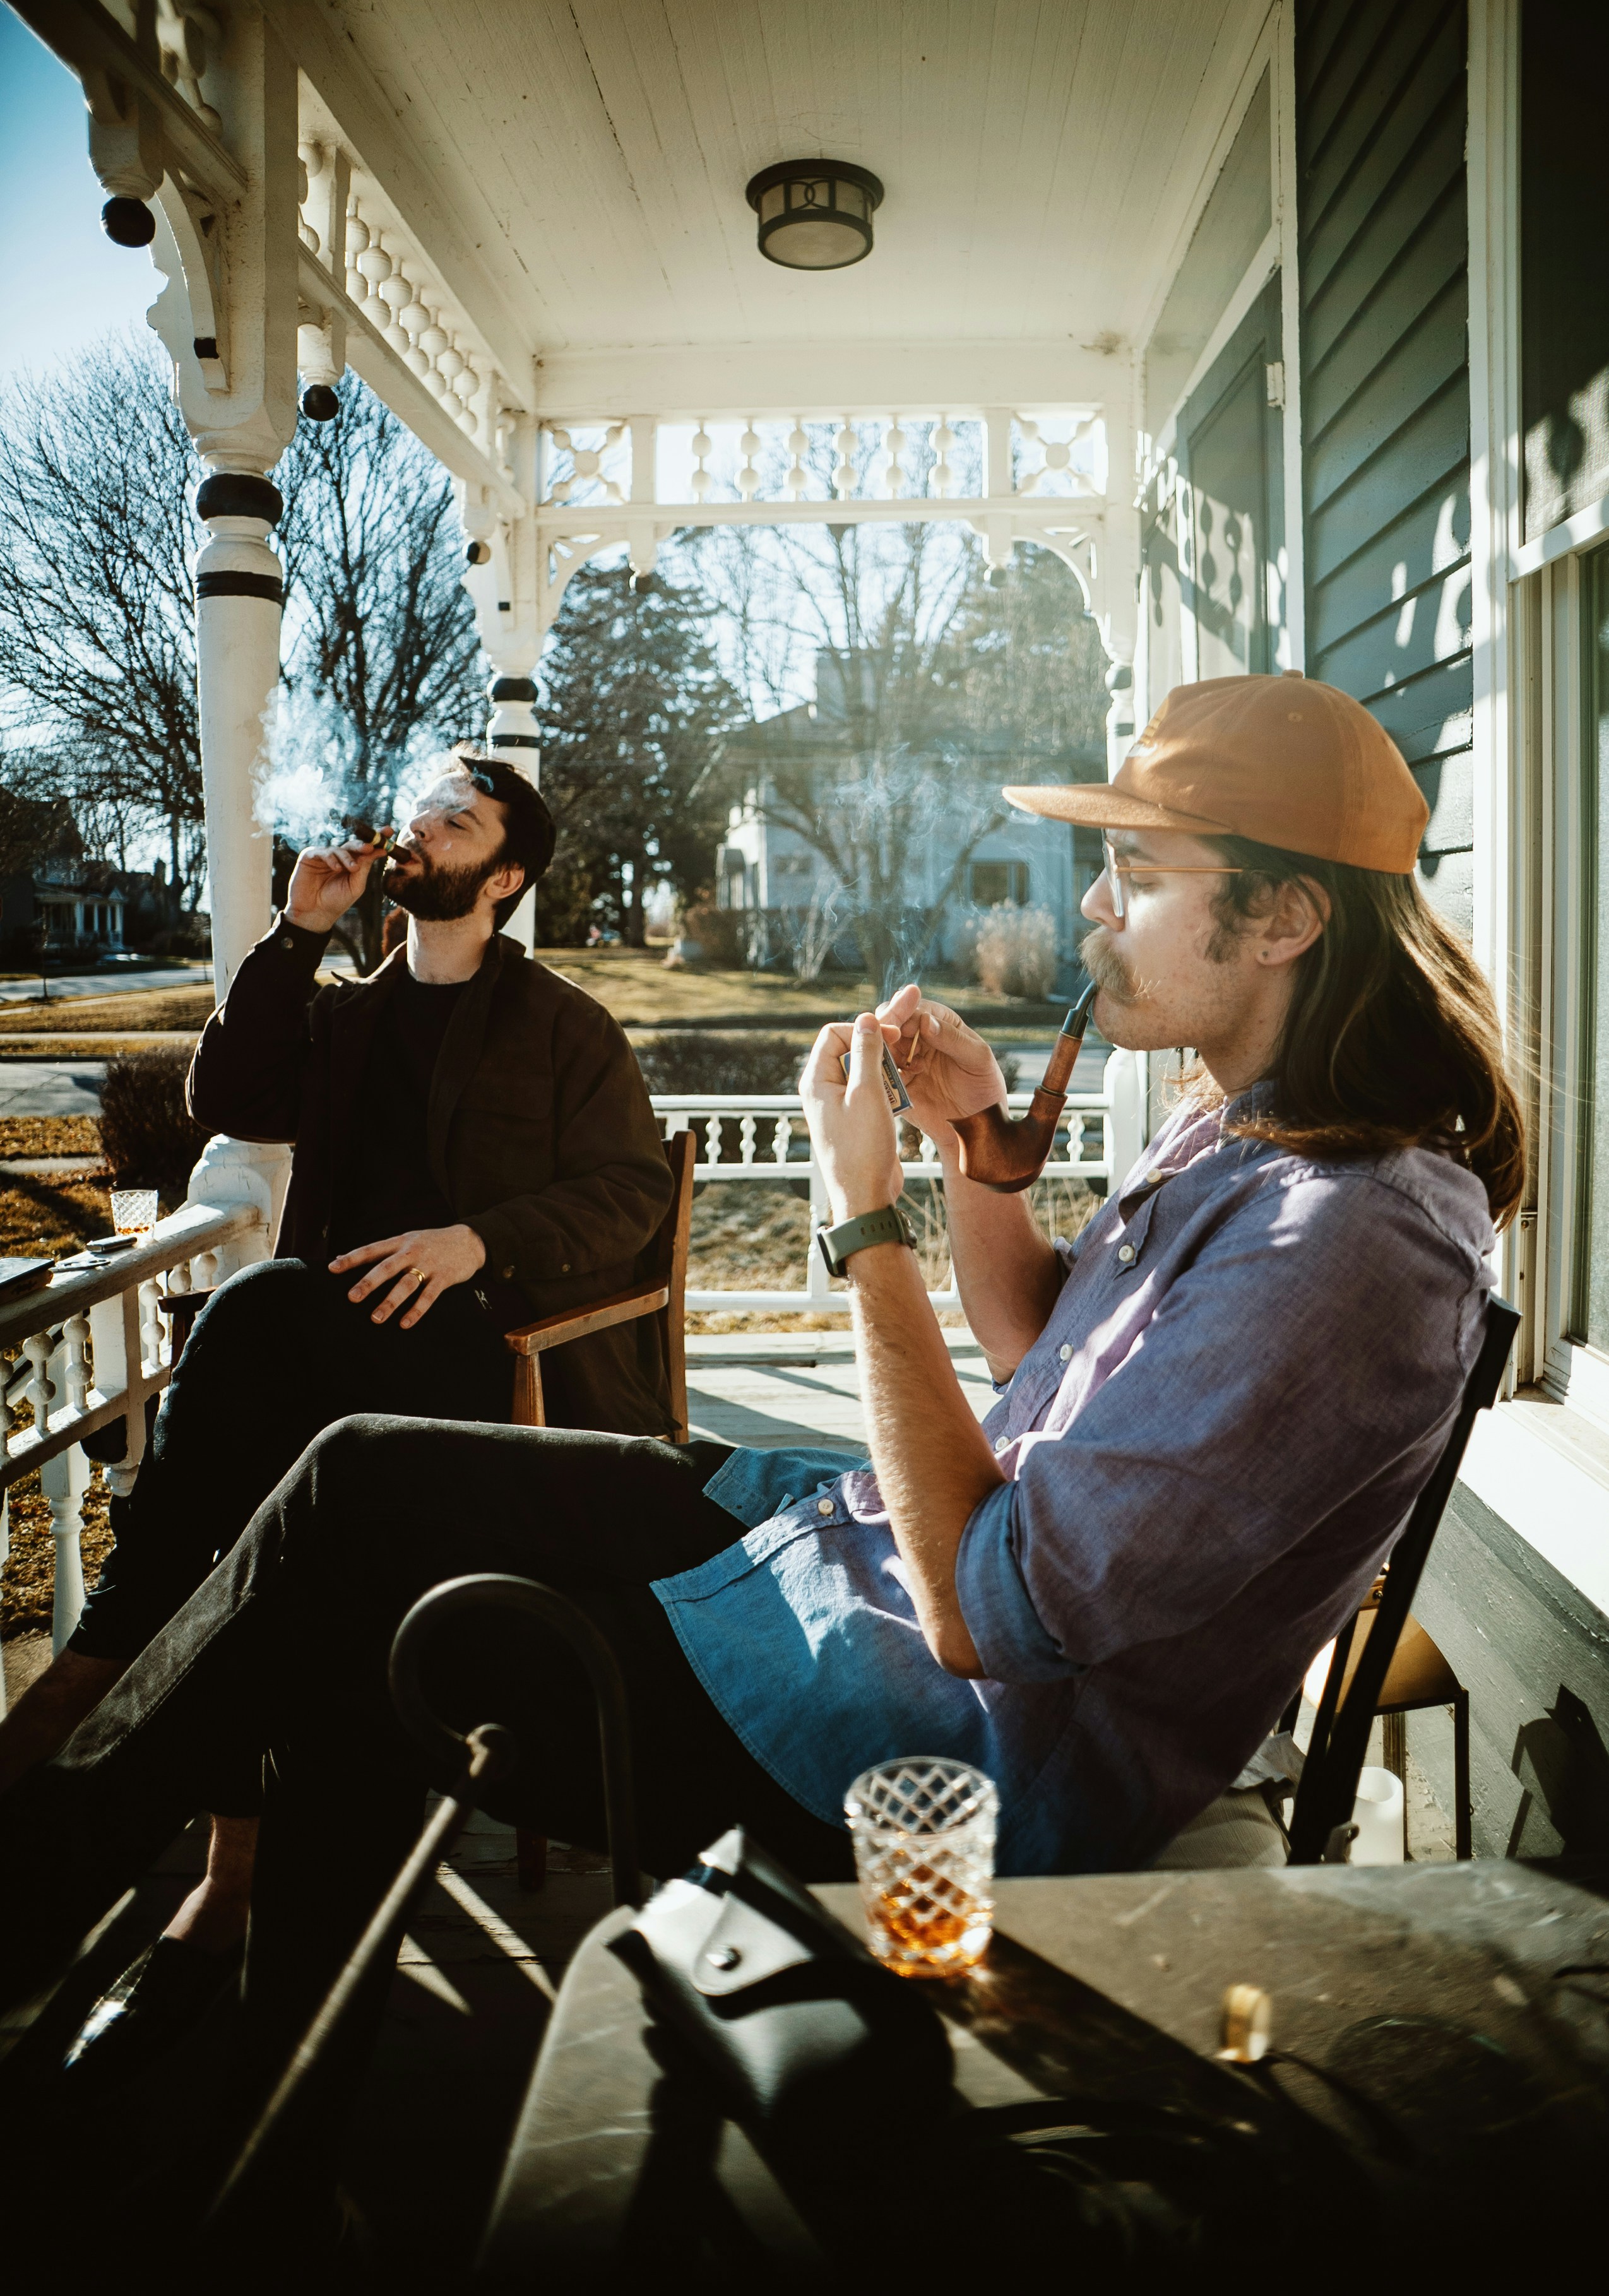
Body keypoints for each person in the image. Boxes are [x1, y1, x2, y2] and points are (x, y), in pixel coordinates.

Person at [0, 675, 1522, 2191]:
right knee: (353, 1475)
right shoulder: (1243, 1134)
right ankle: (199, 2036)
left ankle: (144, 2004)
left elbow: (989, 1610)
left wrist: (864, 1220)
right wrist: (973, 1153)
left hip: (922, 1736)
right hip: (839, 1560)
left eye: (1137, 877)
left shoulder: (1354, 1240)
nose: (1090, 915)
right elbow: (1043, 1351)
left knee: (347, 1634)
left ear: (1283, 922)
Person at [0, 747, 674, 2077]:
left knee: (256, 1327)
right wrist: (298, 930)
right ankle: (237, 1934)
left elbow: (630, 1198)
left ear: (507, 874)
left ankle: (119, 1671)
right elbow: (227, 1100)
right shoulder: (347, 1011)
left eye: (458, 817)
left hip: (486, 1368)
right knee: (284, 1510)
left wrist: (477, 1243)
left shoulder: (561, 1027)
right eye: (421, 804)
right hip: (336, 1374)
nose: (421, 826)